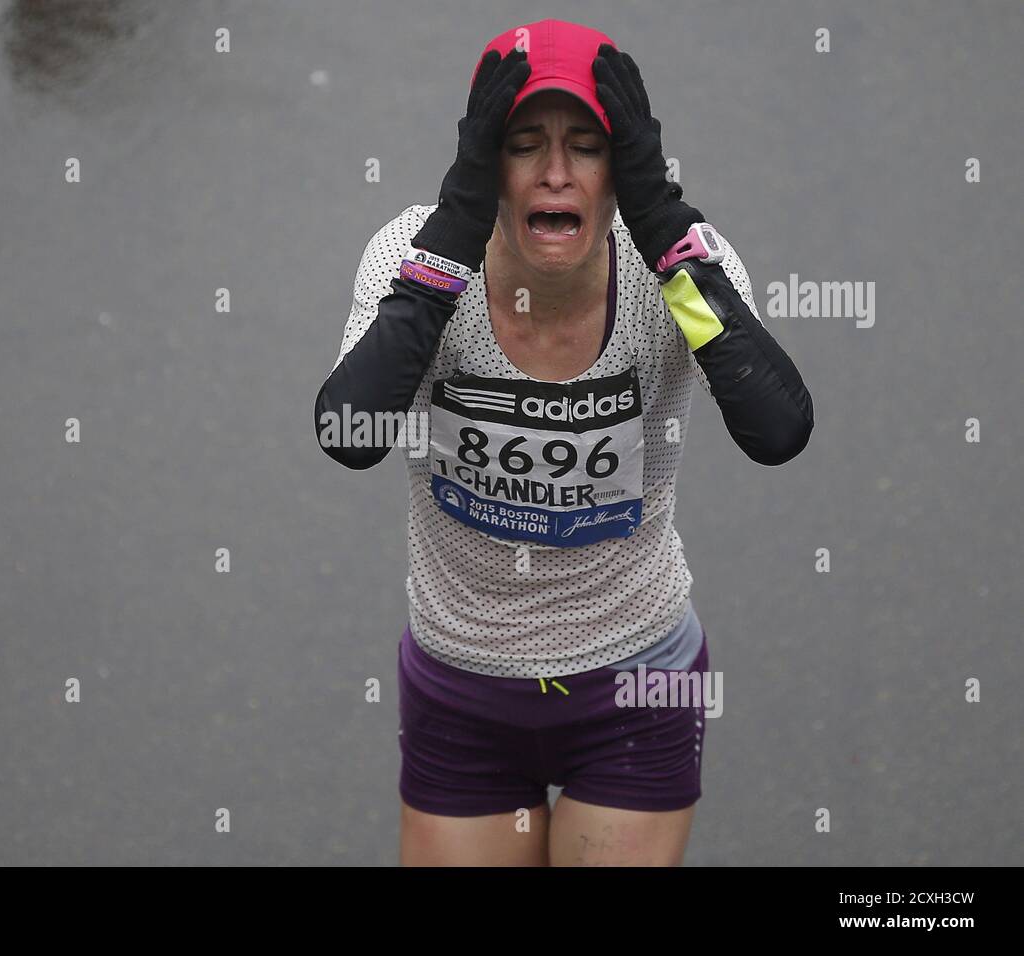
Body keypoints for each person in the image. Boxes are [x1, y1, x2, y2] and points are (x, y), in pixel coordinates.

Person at [313, 19, 813, 866]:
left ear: (623, 166)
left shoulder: (678, 269)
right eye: (521, 146)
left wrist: (663, 231)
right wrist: (457, 234)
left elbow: (779, 430)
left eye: (586, 146)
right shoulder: (414, 255)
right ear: (483, 163)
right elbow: (346, 432)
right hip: (459, 687)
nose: (554, 173)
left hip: (635, 684)